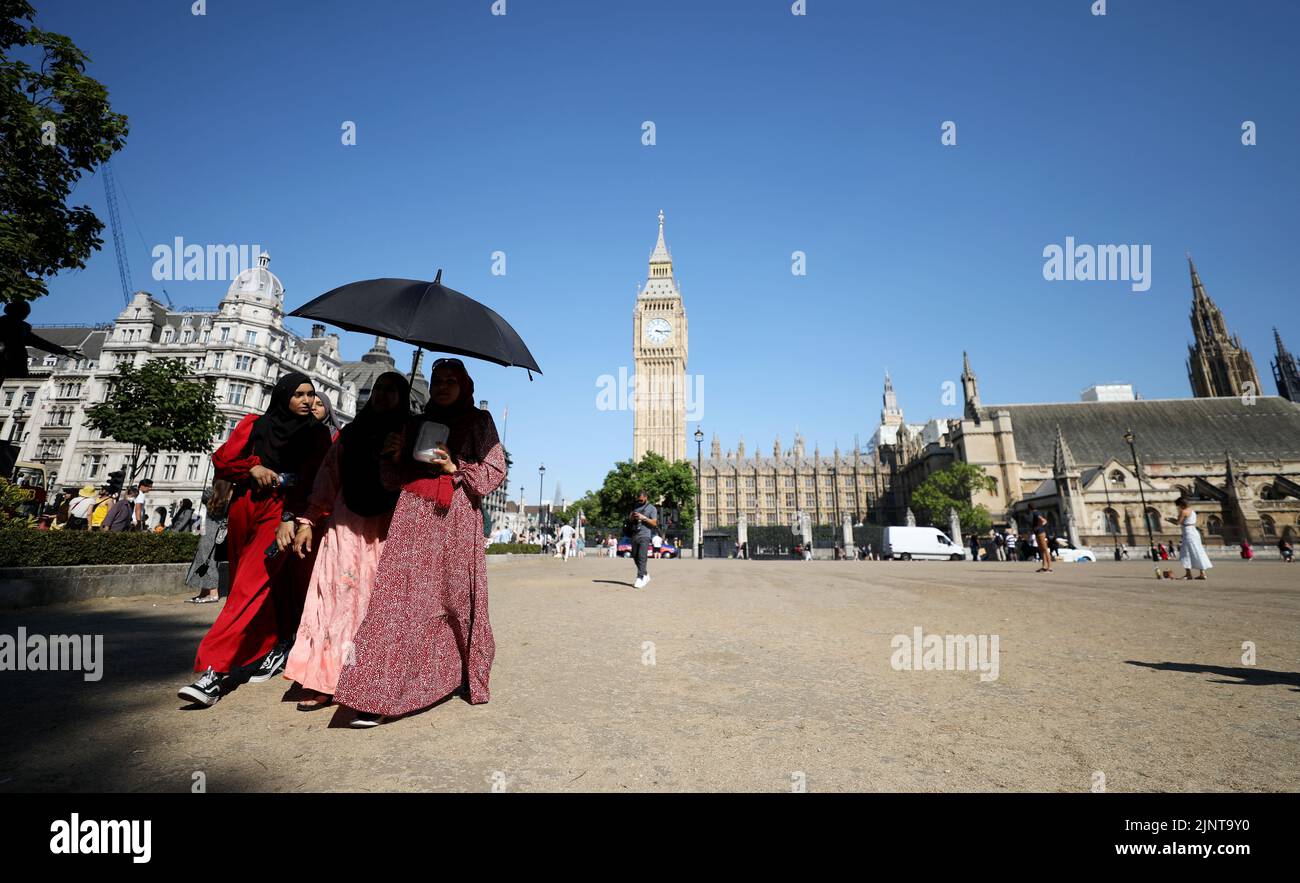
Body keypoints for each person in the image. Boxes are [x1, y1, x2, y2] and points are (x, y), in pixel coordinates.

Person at [334, 358, 505, 728]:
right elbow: (392, 479)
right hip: (413, 514)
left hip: (457, 518)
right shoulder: (412, 423)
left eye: (450, 381)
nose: (442, 387)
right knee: (399, 603)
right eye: (437, 380)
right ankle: (377, 693)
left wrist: (455, 468)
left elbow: (494, 471)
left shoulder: (479, 422)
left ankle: (458, 674)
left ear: (464, 385)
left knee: (455, 600)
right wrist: (393, 455)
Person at [178, 372, 332, 707]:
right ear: (283, 397)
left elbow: (315, 481)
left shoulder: (317, 435)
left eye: (311, 395)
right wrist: (251, 468)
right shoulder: (253, 424)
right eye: (299, 395)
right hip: (244, 507)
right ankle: (276, 644)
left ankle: (212, 672)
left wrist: (290, 518)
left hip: (281, 513)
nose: (307, 401)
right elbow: (222, 459)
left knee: (249, 587)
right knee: (251, 587)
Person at [285, 371, 411, 712]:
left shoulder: (410, 435)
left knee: (372, 604)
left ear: (404, 397)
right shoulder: (351, 433)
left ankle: (363, 679)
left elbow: (421, 488)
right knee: (334, 600)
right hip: (345, 525)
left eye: (392, 390)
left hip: (388, 529)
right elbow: (329, 475)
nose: (384, 395)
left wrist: (403, 458)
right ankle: (323, 678)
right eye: (379, 389)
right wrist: (309, 519)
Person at [186, 480, 232, 604]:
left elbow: (205, 496)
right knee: (206, 561)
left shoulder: (211, 496)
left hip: (211, 533)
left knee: (208, 562)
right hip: (218, 533)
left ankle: (213, 593)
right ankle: (204, 592)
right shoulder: (228, 498)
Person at [1167, 497, 1211, 580]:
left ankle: (1188, 574)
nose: (1178, 507)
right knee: (1197, 551)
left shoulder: (1183, 512)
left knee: (1185, 552)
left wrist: (1169, 519)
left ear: (1181, 504)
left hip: (1188, 533)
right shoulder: (1191, 510)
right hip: (1194, 531)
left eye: (1178, 505)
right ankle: (1202, 573)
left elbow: (1177, 522)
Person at [627, 490, 657, 589]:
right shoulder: (635, 506)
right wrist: (632, 517)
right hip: (635, 533)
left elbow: (654, 523)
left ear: (645, 497)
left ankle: (640, 577)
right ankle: (645, 574)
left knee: (642, 556)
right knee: (635, 556)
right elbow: (630, 520)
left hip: (645, 535)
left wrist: (643, 518)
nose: (639, 502)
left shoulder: (652, 508)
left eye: (641, 500)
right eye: (638, 500)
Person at [1028, 504, 1052, 573]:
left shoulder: (1035, 513)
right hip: (1038, 533)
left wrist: (1039, 526)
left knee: (1045, 549)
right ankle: (1044, 567)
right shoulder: (1036, 513)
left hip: (1040, 533)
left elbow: (1044, 520)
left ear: (1029, 508)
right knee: (1042, 550)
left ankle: (1049, 568)